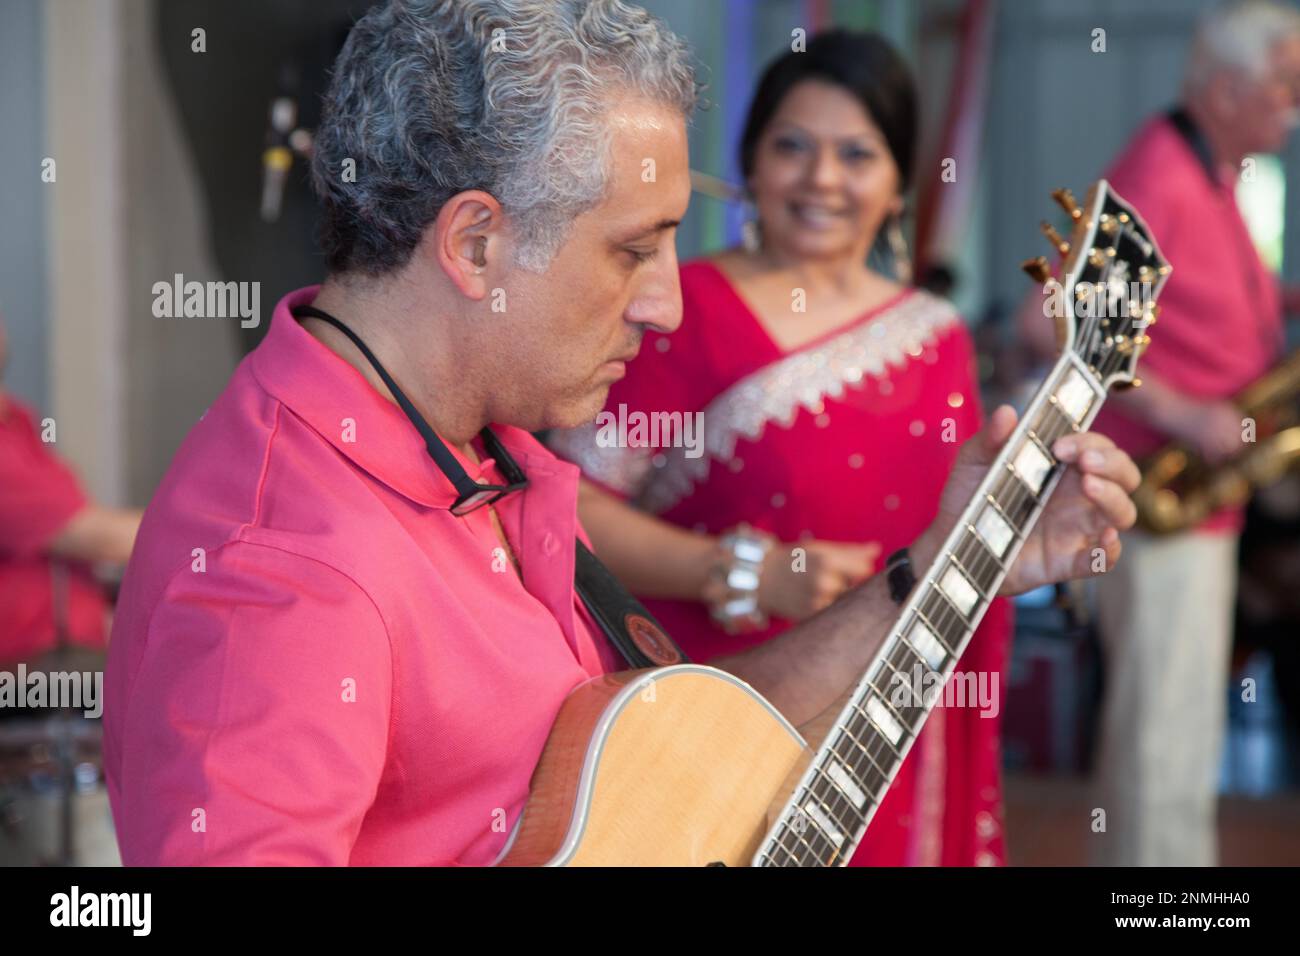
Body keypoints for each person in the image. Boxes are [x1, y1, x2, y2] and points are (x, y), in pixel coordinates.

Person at [104, 0, 1140, 866]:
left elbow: (659, 760)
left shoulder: (478, 442)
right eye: (631, 250)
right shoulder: (281, 570)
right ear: (475, 242)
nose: (667, 306)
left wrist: (942, 562)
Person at [546, 30, 1010, 867]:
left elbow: (958, 543)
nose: (821, 179)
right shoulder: (676, 312)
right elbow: (566, 512)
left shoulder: (935, 337)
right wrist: (740, 570)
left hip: (889, 713)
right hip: (721, 712)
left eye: (856, 154)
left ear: (900, 184)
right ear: (750, 163)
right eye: (792, 146)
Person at [1018, 0, 1300, 867]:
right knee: (1161, 743)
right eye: (1285, 86)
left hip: (1202, 502)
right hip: (1163, 488)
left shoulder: (1210, 174)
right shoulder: (1160, 176)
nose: (1294, 106)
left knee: (1177, 738)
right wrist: (1187, 413)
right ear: (1226, 89)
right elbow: (1046, 319)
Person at [0, 313, 141, 664]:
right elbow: (97, 537)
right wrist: (216, 527)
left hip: (68, 647)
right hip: (30, 663)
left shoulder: (17, 420)